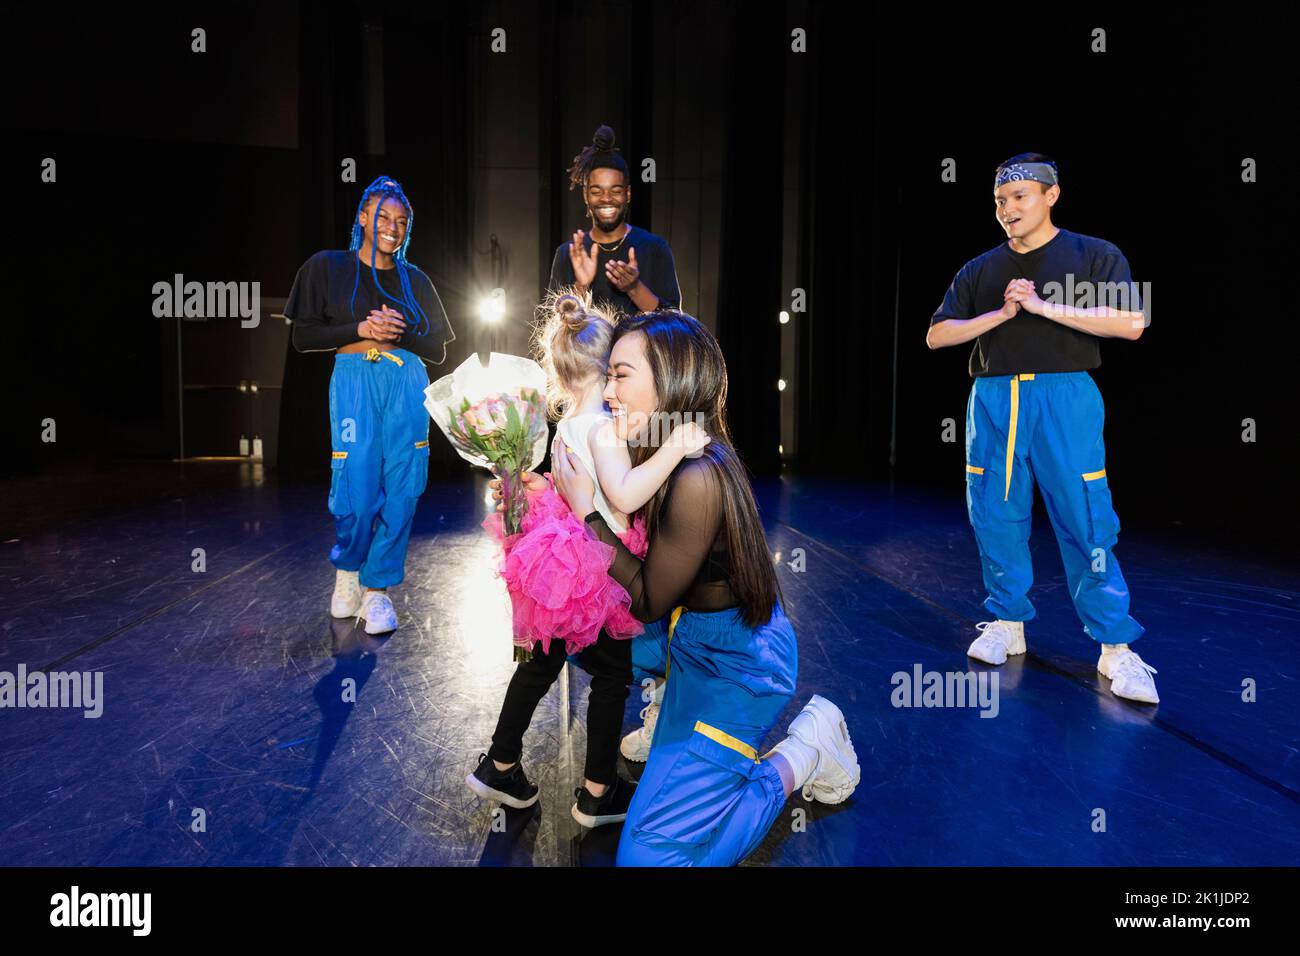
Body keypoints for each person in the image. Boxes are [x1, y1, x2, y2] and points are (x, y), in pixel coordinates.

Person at [546, 309, 861, 866]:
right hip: (684, 637)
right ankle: (668, 709)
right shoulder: (654, 445)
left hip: (737, 667)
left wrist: (584, 514)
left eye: (620, 376)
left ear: (669, 378)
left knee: (648, 860)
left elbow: (645, 598)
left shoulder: (697, 476)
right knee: (581, 639)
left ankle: (805, 751)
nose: (608, 389)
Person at [468, 291, 710, 828]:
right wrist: (675, 449)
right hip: (595, 572)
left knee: (540, 664)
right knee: (611, 679)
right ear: (607, 374)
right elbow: (623, 497)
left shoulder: (568, 425)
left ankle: (501, 761)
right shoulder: (602, 427)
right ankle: (597, 792)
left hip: (558, 565)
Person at [926, 152, 1158, 703]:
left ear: (1050, 196)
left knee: (1085, 516)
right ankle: (1007, 624)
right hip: (994, 396)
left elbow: (1132, 323)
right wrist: (1001, 317)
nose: (1007, 209)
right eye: (1000, 201)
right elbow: (937, 336)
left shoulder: (1095, 254)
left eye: (1019, 197)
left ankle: (1115, 648)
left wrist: (1045, 308)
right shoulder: (979, 269)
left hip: (1065, 395)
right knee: (995, 511)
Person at [285, 176, 456, 635]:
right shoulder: (326, 267)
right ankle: (348, 572)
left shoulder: (414, 279)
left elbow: (438, 348)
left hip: (405, 382)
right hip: (355, 382)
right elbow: (303, 337)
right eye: (384, 217)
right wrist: (362, 328)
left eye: (402, 222)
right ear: (363, 217)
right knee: (356, 485)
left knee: (403, 486)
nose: (393, 228)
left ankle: (378, 591)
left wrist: (398, 334)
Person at [549, 125, 682, 318]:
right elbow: (552, 328)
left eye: (616, 191)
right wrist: (581, 287)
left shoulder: (655, 248)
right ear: (586, 196)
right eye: (596, 191)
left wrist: (634, 288)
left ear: (627, 194)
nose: (606, 198)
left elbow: (674, 323)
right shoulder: (566, 254)